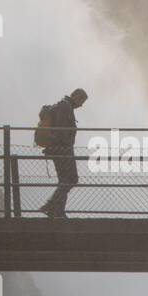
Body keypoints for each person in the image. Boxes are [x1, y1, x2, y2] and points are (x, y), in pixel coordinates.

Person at [39, 88, 88, 218]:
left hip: (58, 149)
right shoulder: (65, 106)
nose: (81, 105)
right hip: (62, 150)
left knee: (64, 180)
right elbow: (62, 130)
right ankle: (50, 205)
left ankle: (57, 211)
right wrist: (66, 145)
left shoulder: (64, 105)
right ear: (76, 96)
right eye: (82, 101)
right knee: (72, 179)